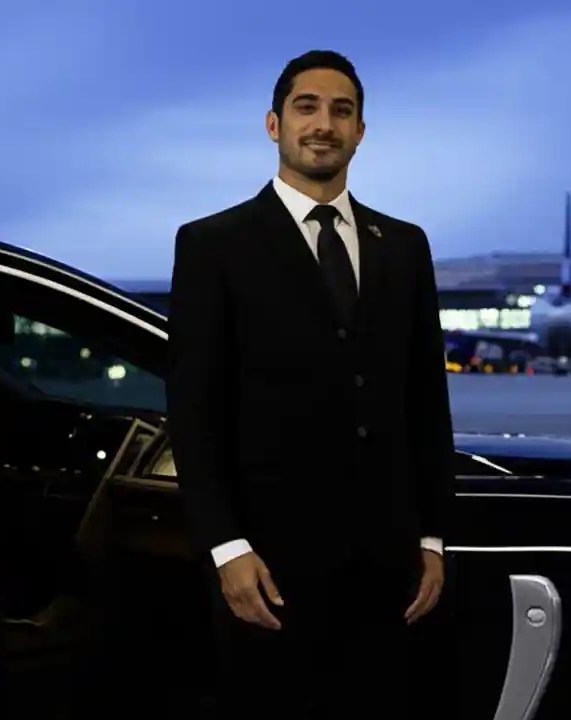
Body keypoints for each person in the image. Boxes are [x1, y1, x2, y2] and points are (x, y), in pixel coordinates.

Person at [166, 49, 455, 713]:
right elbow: (194, 412)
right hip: (270, 569)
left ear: (359, 132)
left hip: (391, 573)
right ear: (273, 125)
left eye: (341, 111)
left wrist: (433, 539)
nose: (323, 123)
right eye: (307, 107)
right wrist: (226, 548)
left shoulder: (404, 247)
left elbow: (425, 402)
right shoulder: (213, 245)